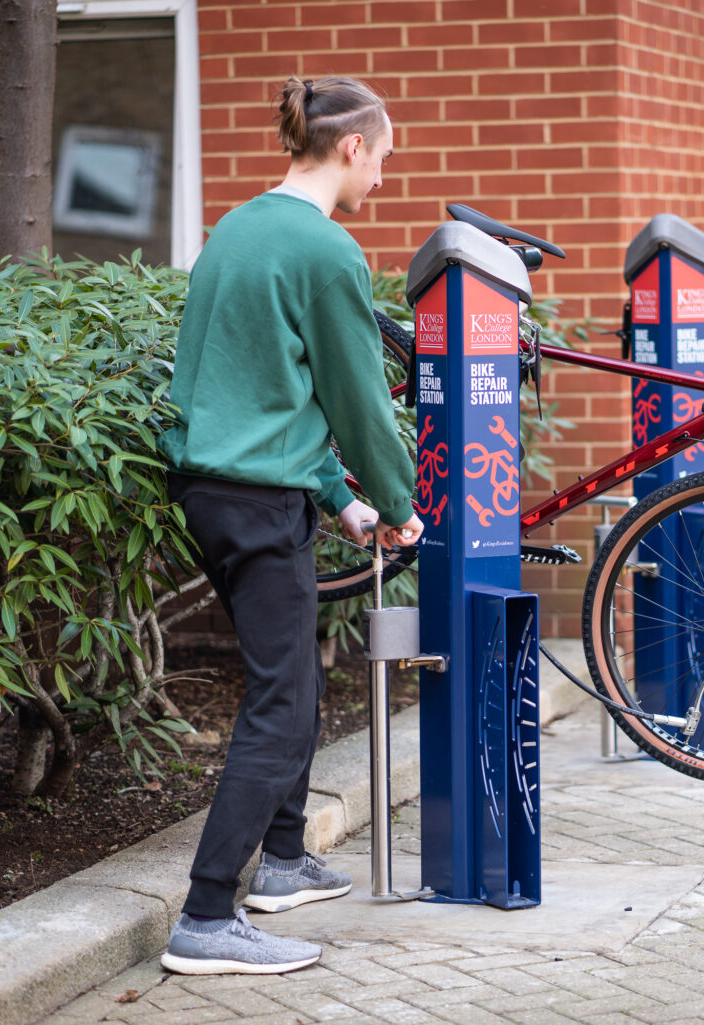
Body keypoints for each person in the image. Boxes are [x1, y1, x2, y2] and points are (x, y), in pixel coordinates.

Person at [157, 75, 423, 976]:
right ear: (353, 147)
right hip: (256, 500)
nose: (382, 179)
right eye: (382, 159)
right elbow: (355, 399)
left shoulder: (237, 227)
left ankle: (281, 859)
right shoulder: (325, 250)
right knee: (281, 700)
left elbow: (269, 389)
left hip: (214, 486)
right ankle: (204, 915)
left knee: (295, 675)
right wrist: (396, 502)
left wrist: (338, 499)